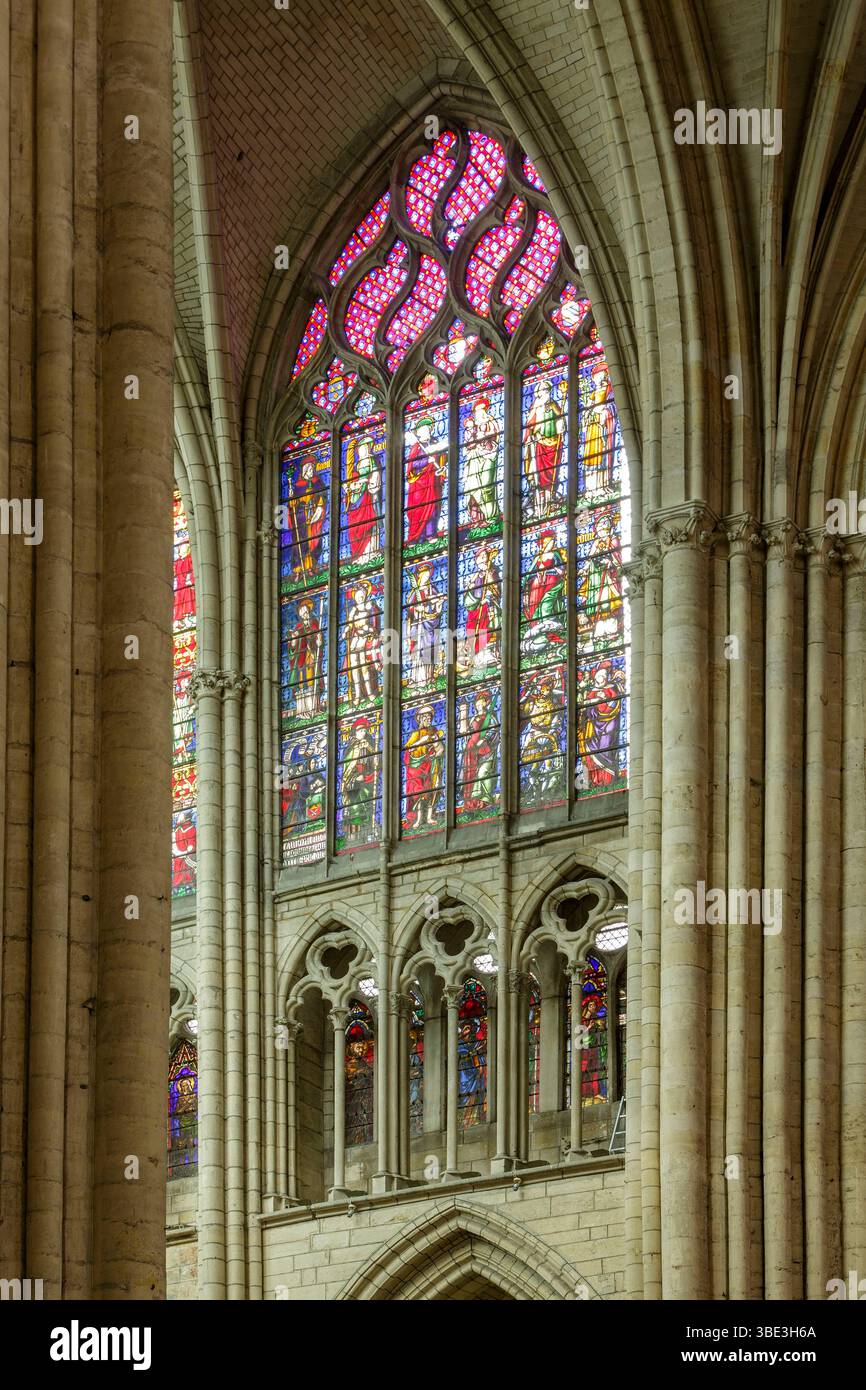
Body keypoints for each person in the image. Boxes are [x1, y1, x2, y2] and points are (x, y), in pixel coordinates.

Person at [523, 376, 565, 517]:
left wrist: (560, 424)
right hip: (538, 444)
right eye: (542, 390)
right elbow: (530, 425)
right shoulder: (535, 407)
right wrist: (533, 435)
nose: (544, 393)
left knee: (551, 475)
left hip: (552, 444)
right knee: (538, 478)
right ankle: (538, 508)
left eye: (546, 390)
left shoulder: (554, 404)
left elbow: (561, 420)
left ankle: (550, 503)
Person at [460, 544, 501, 675]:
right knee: (473, 631)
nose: (483, 559)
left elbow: (496, 590)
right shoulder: (476, 575)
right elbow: (469, 593)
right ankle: (474, 658)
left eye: (485, 556)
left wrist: (488, 595)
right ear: (476, 560)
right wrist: (470, 589)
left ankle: (488, 655)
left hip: (488, 607)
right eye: (480, 557)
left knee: (488, 629)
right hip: (475, 609)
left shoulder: (492, 572)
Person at [405, 415, 446, 544]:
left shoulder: (434, 443)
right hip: (419, 484)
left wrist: (441, 466)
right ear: (418, 433)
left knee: (433, 508)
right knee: (418, 511)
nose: (426, 432)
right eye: (423, 430)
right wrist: (426, 460)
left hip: (433, 481)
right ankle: (418, 537)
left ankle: (431, 535)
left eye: (428, 430)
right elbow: (412, 465)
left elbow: (442, 458)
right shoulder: (416, 447)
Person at [402, 703, 445, 830]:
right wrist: (422, 740)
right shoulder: (416, 734)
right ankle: (419, 819)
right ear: (420, 719)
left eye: (429, 718)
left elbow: (441, 749)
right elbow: (408, 749)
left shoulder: (435, 732)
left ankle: (430, 817)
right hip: (417, 769)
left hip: (431, 765)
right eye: (425, 718)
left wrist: (436, 742)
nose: (428, 720)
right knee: (420, 793)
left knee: (432, 790)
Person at [461, 394, 500, 527]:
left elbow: (495, 437)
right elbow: (467, 444)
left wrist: (484, 437)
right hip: (474, 459)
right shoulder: (472, 426)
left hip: (488, 456)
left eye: (482, 410)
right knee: (473, 487)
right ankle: (478, 519)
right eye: (477, 411)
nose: (479, 413)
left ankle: (491, 516)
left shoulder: (491, 422)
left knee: (487, 486)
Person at [404, 564, 445, 691]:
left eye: (428, 575)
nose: (427, 577)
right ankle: (416, 678)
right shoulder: (415, 592)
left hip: (430, 624)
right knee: (418, 651)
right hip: (418, 624)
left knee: (429, 649)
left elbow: (437, 605)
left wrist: (438, 603)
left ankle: (428, 677)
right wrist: (416, 608)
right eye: (424, 575)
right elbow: (409, 609)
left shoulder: (432, 589)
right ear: (420, 576)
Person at [458, 690, 499, 813]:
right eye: (477, 703)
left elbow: (494, 729)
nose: (478, 705)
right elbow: (467, 732)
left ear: (486, 703)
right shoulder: (474, 718)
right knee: (470, 774)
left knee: (483, 773)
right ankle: (472, 802)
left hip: (486, 748)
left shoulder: (490, 717)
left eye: (481, 702)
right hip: (472, 749)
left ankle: (486, 799)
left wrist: (484, 739)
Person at [286, 453, 327, 577]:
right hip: (301, 518)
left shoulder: (318, 483)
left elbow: (323, 497)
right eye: (309, 469)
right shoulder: (298, 486)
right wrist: (292, 497)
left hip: (313, 516)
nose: (311, 471)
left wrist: (319, 506)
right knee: (300, 544)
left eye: (313, 469)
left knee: (314, 542)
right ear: (304, 470)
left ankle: (311, 567)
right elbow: (293, 505)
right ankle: (298, 570)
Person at [339, 717, 379, 843]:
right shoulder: (351, 748)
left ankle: (367, 833)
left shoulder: (369, 745)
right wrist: (355, 776)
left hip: (367, 779)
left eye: (364, 731)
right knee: (354, 808)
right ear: (355, 732)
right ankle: (352, 836)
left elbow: (376, 763)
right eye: (361, 731)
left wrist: (371, 749)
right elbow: (348, 766)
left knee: (367, 806)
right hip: (353, 783)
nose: (363, 733)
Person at [343, 434, 381, 560]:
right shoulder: (356, 465)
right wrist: (348, 487)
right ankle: (358, 556)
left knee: (369, 522)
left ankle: (369, 553)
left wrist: (366, 482)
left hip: (367, 497)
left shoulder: (372, 461)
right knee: (355, 526)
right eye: (360, 448)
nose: (362, 450)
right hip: (355, 499)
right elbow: (352, 479)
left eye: (364, 447)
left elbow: (375, 476)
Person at [344, 579, 380, 703]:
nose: (360, 598)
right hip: (355, 641)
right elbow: (349, 624)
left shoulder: (369, 607)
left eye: (362, 596)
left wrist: (369, 629)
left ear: (365, 596)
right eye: (358, 596)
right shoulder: (353, 610)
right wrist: (345, 631)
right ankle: (358, 695)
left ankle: (370, 693)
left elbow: (374, 624)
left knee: (364, 668)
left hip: (365, 640)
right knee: (354, 669)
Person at [287, 597, 323, 718]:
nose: (305, 615)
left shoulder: (315, 623)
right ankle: (302, 711)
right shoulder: (298, 628)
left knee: (312, 679)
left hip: (311, 657)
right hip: (301, 660)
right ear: (300, 615)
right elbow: (293, 648)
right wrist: (293, 642)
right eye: (303, 613)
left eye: (307, 612)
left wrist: (318, 641)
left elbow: (318, 637)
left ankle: (314, 708)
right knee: (302, 683)